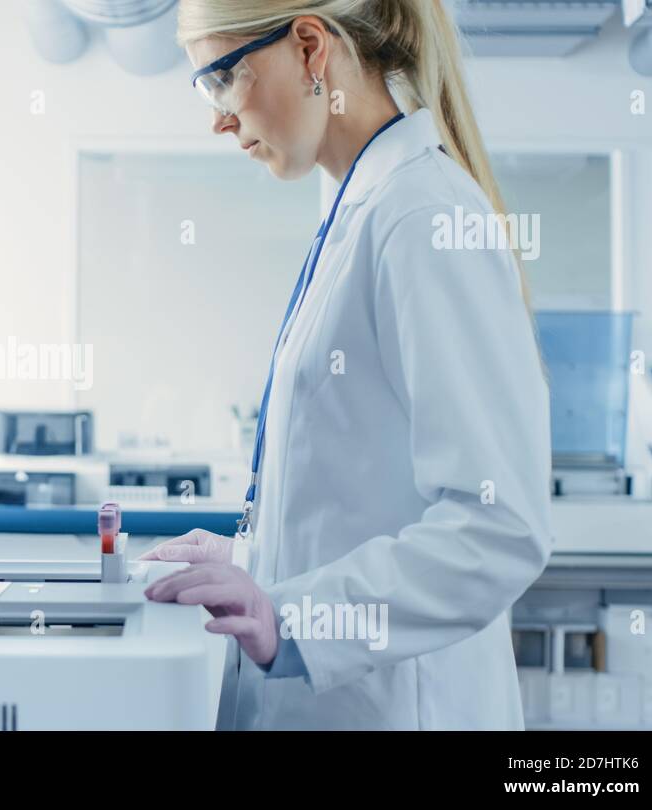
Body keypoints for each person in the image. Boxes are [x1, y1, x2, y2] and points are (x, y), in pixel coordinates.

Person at [139, 0, 552, 729]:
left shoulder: (421, 219)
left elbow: (499, 526)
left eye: (223, 78)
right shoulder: (354, 207)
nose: (219, 118)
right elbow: (355, 494)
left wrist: (290, 616)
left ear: (308, 48)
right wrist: (252, 558)